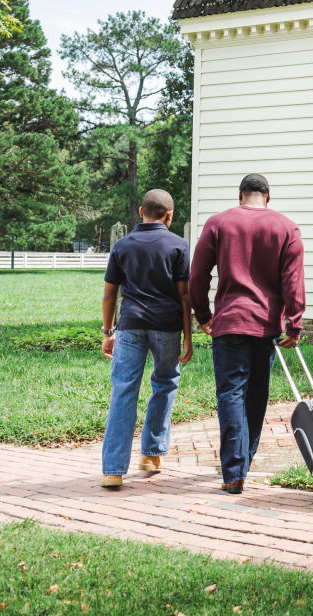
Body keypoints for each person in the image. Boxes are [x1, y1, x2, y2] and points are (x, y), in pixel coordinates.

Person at [189, 173, 305, 495]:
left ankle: (233, 472)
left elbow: (197, 274)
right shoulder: (286, 228)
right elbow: (293, 282)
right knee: (256, 396)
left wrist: (202, 314)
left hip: (229, 322)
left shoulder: (218, 223)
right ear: (268, 197)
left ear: (240, 195)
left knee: (230, 394)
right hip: (265, 325)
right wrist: (293, 324)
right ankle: (242, 465)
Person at [99, 189, 193, 489]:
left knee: (124, 391)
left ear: (141, 211)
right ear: (170, 215)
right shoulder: (178, 245)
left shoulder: (122, 245)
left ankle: (112, 471)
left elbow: (110, 292)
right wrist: (188, 336)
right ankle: (151, 455)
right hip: (167, 326)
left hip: (130, 325)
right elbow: (184, 294)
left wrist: (107, 331)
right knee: (164, 384)